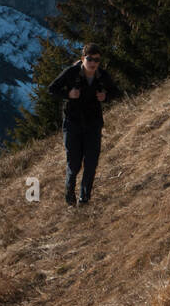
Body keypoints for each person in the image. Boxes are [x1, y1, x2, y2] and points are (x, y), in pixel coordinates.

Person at [48, 44, 119, 206]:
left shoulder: (102, 75)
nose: (93, 63)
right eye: (90, 59)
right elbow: (52, 89)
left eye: (97, 60)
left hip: (93, 123)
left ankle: (84, 199)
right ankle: (69, 191)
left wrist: (105, 97)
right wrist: (68, 94)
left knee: (91, 162)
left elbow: (115, 91)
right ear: (82, 59)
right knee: (74, 163)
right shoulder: (71, 73)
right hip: (72, 123)